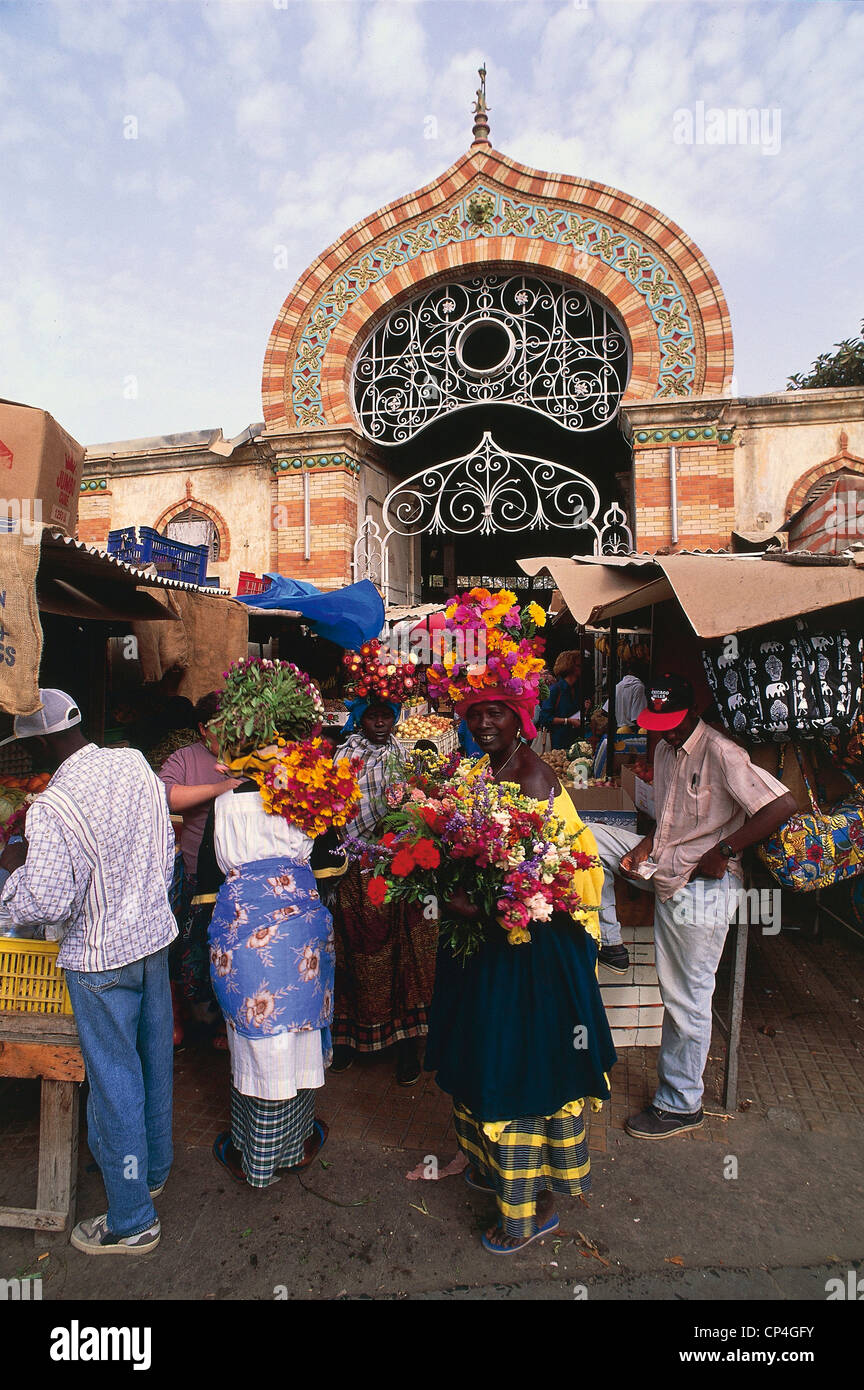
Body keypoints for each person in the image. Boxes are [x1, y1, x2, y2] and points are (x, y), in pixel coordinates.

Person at [424, 690, 617, 1254]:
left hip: (533, 954)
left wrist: (472, 906)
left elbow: (547, 889)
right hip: (497, 950)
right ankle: (490, 1166)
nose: (483, 722)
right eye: (475, 713)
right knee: (488, 1051)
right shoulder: (488, 768)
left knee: (524, 1068)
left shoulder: (531, 779)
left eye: (496, 712)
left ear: (521, 719)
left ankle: (532, 1211)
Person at [0, 689, 177, 1255]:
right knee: (152, 1062)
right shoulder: (132, 762)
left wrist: (12, 873)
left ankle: (132, 1220)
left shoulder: (53, 806)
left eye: (29, 746)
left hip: (100, 960)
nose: (28, 758)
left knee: (114, 1082)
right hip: (151, 942)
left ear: (47, 740)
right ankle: (150, 1170)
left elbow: (49, 903)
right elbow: (164, 847)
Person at [588, 673, 797, 1140]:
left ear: (693, 712)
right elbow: (671, 822)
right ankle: (611, 942)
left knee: (686, 998)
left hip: (701, 887)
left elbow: (781, 806)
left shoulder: (723, 752)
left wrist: (723, 851)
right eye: (658, 723)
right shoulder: (663, 750)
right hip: (663, 865)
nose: (665, 731)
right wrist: (644, 845)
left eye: (673, 723)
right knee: (585, 837)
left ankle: (682, 1104)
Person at [205, 660, 346, 1188]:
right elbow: (333, 865)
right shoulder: (313, 791)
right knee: (297, 1036)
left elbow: (203, 882)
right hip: (301, 937)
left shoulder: (222, 797)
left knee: (257, 1041)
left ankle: (254, 1156)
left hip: (243, 934)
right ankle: (293, 1145)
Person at [329, 698, 438, 1086]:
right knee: (357, 953)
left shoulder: (398, 752)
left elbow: (405, 802)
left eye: (386, 716)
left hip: (397, 868)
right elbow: (337, 812)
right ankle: (347, 1042)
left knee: (402, 955)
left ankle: (405, 1045)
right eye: (372, 716)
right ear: (359, 719)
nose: (380, 723)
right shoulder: (345, 755)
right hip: (355, 870)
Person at [159, 691, 241, 1045]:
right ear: (202, 729)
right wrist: (222, 787)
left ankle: (228, 1022)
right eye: (221, 724)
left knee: (233, 950)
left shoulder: (250, 755)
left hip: (238, 875)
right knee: (190, 948)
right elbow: (168, 796)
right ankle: (189, 1021)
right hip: (196, 873)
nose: (231, 731)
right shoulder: (185, 758)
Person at [537, 650, 584, 750]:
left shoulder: (576, 689)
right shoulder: (555, 690)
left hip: (573, 741)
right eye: (578, 666)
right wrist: (568, 721)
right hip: (557, 744)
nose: (581, 668)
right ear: (570, 667)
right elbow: (545, 718)